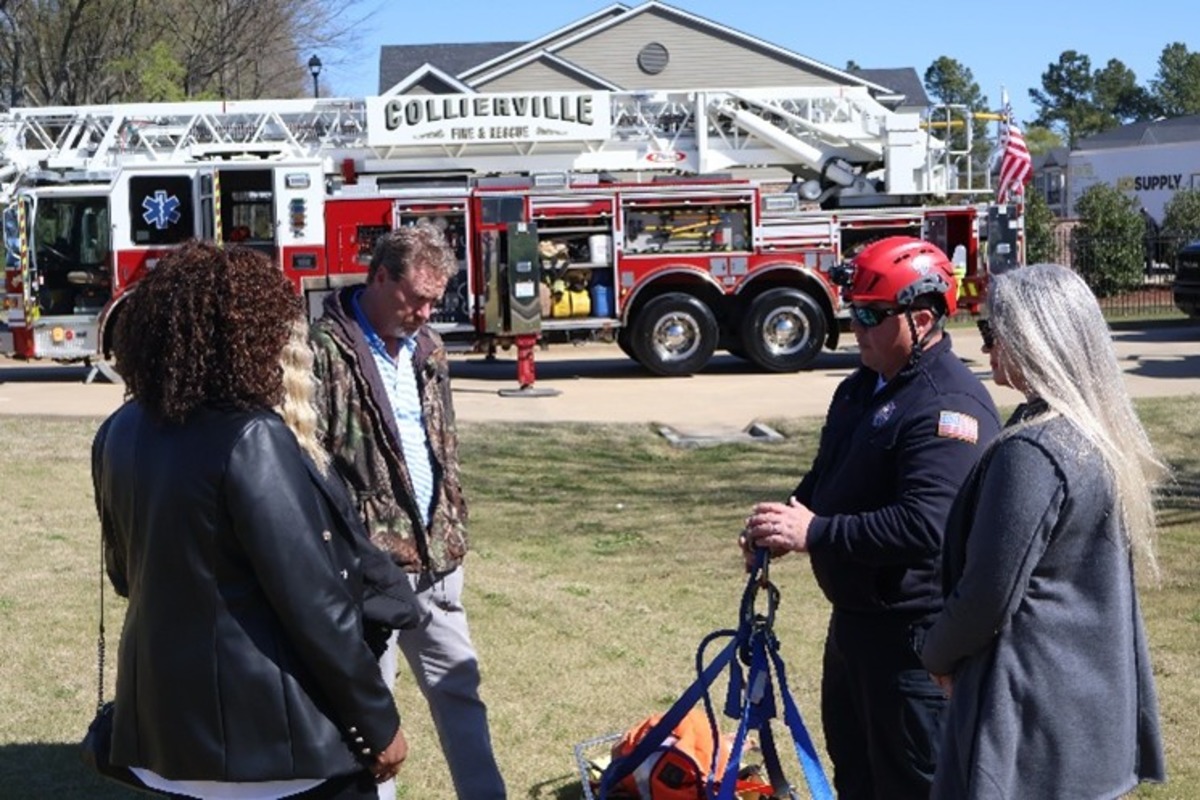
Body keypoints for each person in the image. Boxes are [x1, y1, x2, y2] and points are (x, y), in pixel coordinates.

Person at [92, 241, 415, 799]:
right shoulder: (252, 436)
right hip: (270, 752)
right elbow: (315, 604)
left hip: (164, 737)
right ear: (251, 333)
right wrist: (378, 722)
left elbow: (125, 576)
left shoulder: (118, 432)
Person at [740, 236, 1001, 800]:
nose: (853, 326)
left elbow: (926, 524)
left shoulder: (946, 405)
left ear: (922, 319)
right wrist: (780, 525)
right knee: (854, 771)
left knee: (912, 783)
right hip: (856, 629)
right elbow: (825, 479)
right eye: (851, 311)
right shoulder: (861, 387)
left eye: (869, 314)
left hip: (914, 645)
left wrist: (814, 533)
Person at [920, 263, 1166, 799]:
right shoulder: (1091, 437)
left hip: (1030, 729)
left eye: (991, 333)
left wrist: (934, 653)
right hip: (1087, 718)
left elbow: (987, 594)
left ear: (1033, 339)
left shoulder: (1033, 453)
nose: (984, 350)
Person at [311, 222, 506, 800]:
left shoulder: (429, 347)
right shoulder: (322, 351)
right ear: (378, 277)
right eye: (415, 298)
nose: (425, 312)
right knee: (374, 711)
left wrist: (450, 521)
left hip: (438, 564)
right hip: (371, 572)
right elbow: (313, 465)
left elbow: (440, 444)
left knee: (460, 689)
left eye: (434, 302)